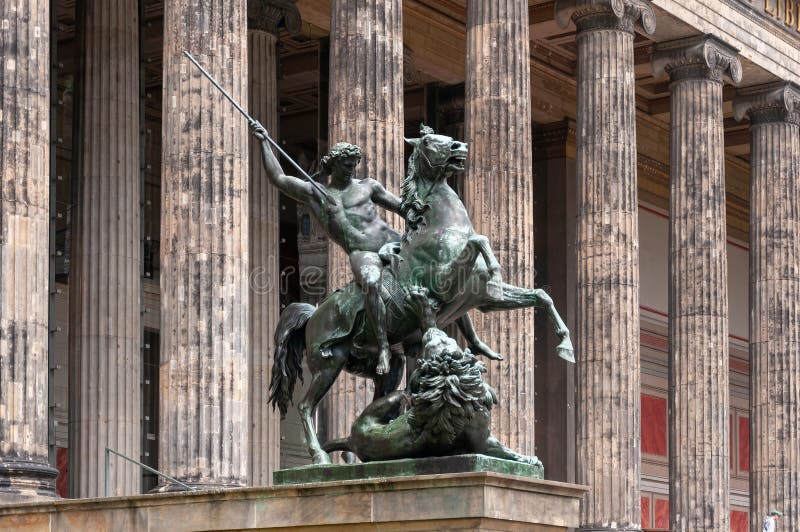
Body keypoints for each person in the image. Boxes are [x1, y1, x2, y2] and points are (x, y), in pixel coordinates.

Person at [250, 120, 401, 374]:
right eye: (346, 165)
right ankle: (384, 346)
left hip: (393, 242)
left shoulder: (369, 186)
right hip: (363, 253)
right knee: (371, 282)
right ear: (333, 165)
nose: (351, 170)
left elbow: (400, 206)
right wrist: (265, 141)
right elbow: (278, 178)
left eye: (354, 164)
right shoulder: (317, 195)